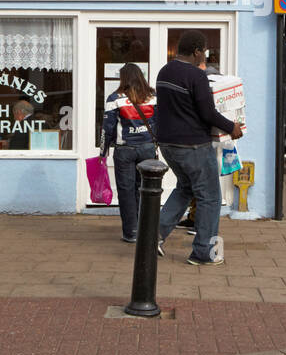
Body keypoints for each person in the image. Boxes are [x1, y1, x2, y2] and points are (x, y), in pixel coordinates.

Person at [155, 30, 243, 265]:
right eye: (203, 51)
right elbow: (207, 113)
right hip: (192, 145)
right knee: (210, 197)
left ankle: (153, 236)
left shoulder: (165, 71)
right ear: (196, 51)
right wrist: (231, 127)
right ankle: (203, 252)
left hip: (167, 144)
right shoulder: (196, 76)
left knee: (185, 188)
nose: (203, 56)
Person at [100, 63, 157, 243]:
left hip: (124, 150)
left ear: (123, 78)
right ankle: (145, 229)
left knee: (126, 191)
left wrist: (103, 151)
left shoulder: (114, 98)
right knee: (146, 191)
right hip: (147, 148)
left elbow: (107, 129)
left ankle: (131, 232)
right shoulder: (153, 97)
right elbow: (161, 122)